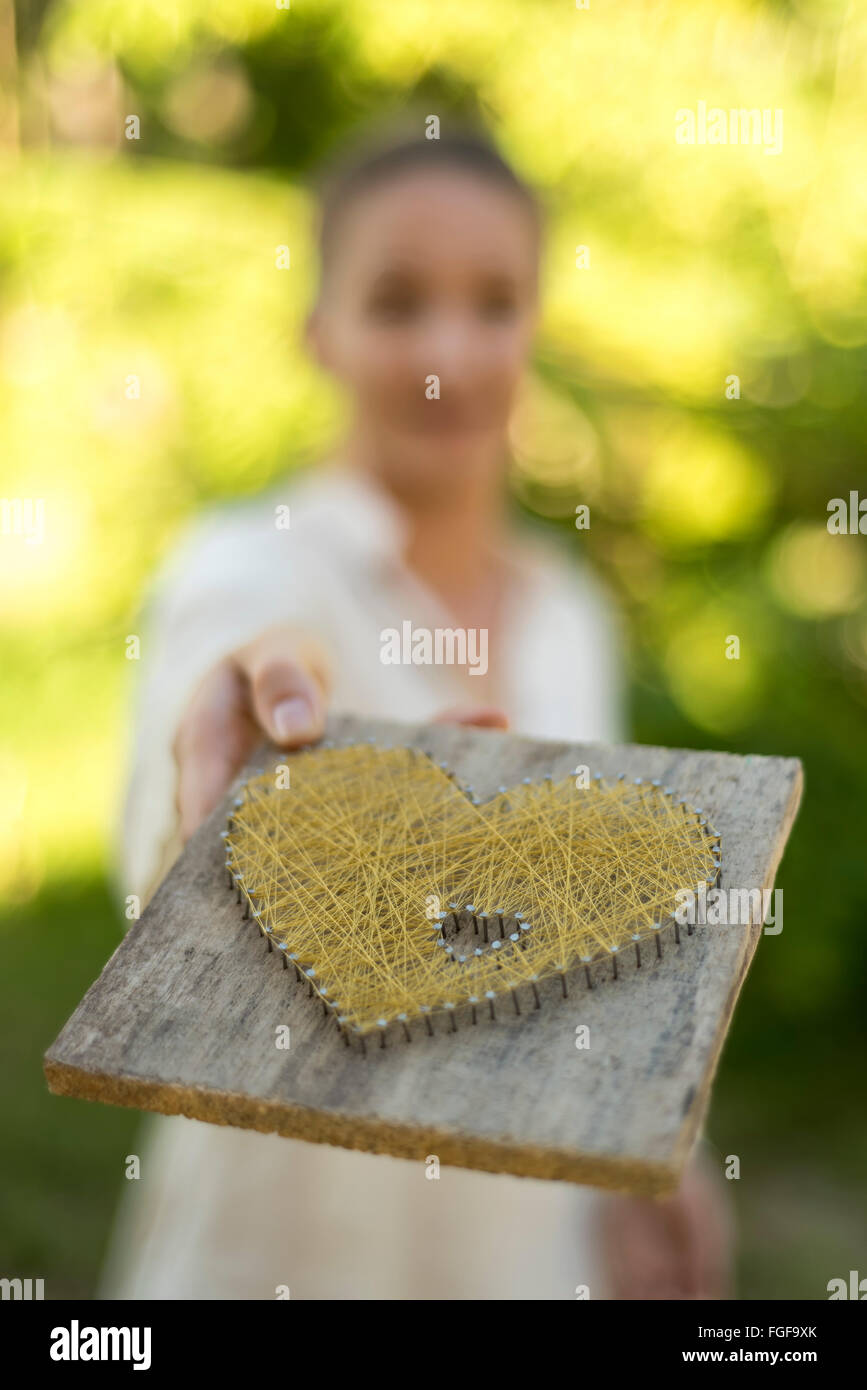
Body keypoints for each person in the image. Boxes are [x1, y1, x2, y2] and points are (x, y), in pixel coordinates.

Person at [99, 128, 733, 1300]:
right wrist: (222, 740)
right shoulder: (249, 572)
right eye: (396, 304)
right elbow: (164, 820)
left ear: (535, 327)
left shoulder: (572, 615)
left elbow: (599, 957)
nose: (448, 354)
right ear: (318, 333)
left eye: (493, 304)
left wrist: (659, 1155)